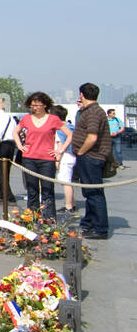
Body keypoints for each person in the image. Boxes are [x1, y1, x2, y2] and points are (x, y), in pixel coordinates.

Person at [14, 93, 67, 220]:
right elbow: (15, 132)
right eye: (32, 105)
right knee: (32, 190)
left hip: (47, 160)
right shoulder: (26, 119)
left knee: (47, 190)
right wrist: (20, 146)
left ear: (45, 105)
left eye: (38, 105)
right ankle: (32, 218)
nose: (35, 108)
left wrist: (60, 150)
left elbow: (69, 134)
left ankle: (49, 219)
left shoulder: (53, 119)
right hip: (29, 158)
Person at [72, 82, 111, 239]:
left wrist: (81, 152)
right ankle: (89, 222)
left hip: (91, 156)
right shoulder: (90, 111)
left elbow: (92, 137)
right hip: (89, 156)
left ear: (82, 94)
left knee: (95, 193)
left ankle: (100, 228)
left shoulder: (93, 112)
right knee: (89, 192)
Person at [52, 105, 77, 215]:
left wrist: (57, 160)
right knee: (68, 181)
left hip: (65, 156)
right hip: (72, 155)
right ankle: (73, 203)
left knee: (65, 181)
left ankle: (68, 206)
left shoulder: (59, 128)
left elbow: (60, 145)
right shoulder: (70, 126)